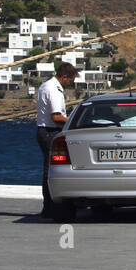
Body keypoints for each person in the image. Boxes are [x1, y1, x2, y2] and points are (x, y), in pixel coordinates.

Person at [36, 62, 78, 218]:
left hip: (44, 131)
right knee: (51, 171)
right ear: (64, 77)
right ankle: (50, 208)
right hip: (50, 132)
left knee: (48, 170)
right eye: (70, 80)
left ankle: (48, 207)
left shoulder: (46, 86)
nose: (71, 83)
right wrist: (74, 122)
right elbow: (56, 117)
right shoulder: (53, 90)